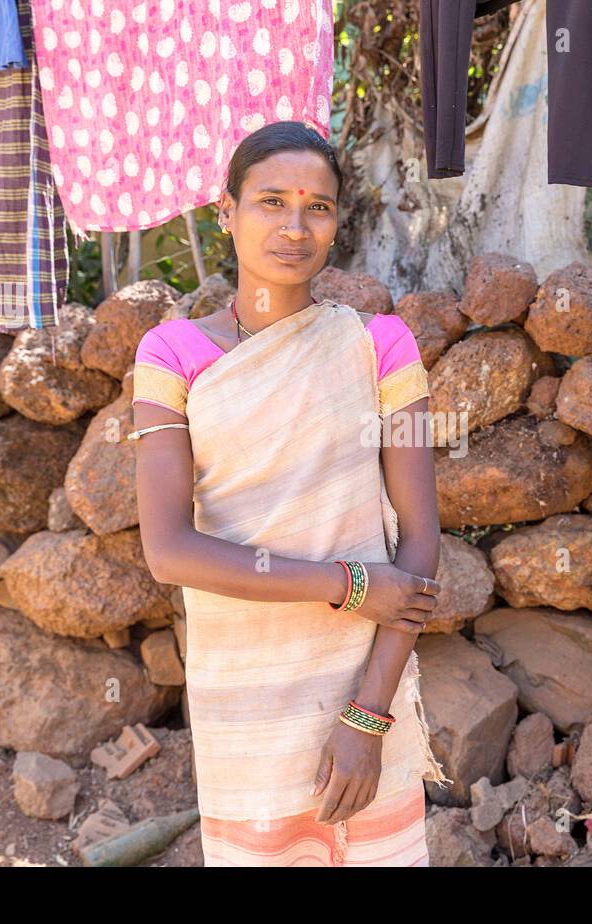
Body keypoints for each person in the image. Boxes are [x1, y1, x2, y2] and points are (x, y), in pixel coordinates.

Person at [129, 120, 453, 867]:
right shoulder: (172, 356)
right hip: (243, 692)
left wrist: (369, 716)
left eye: (319, 207)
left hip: (363, 675)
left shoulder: (381, 345)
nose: (295, 227)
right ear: (227, 212)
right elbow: (168, 550)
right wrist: (347, 584)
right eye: (271, 202)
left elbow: (421, 543)